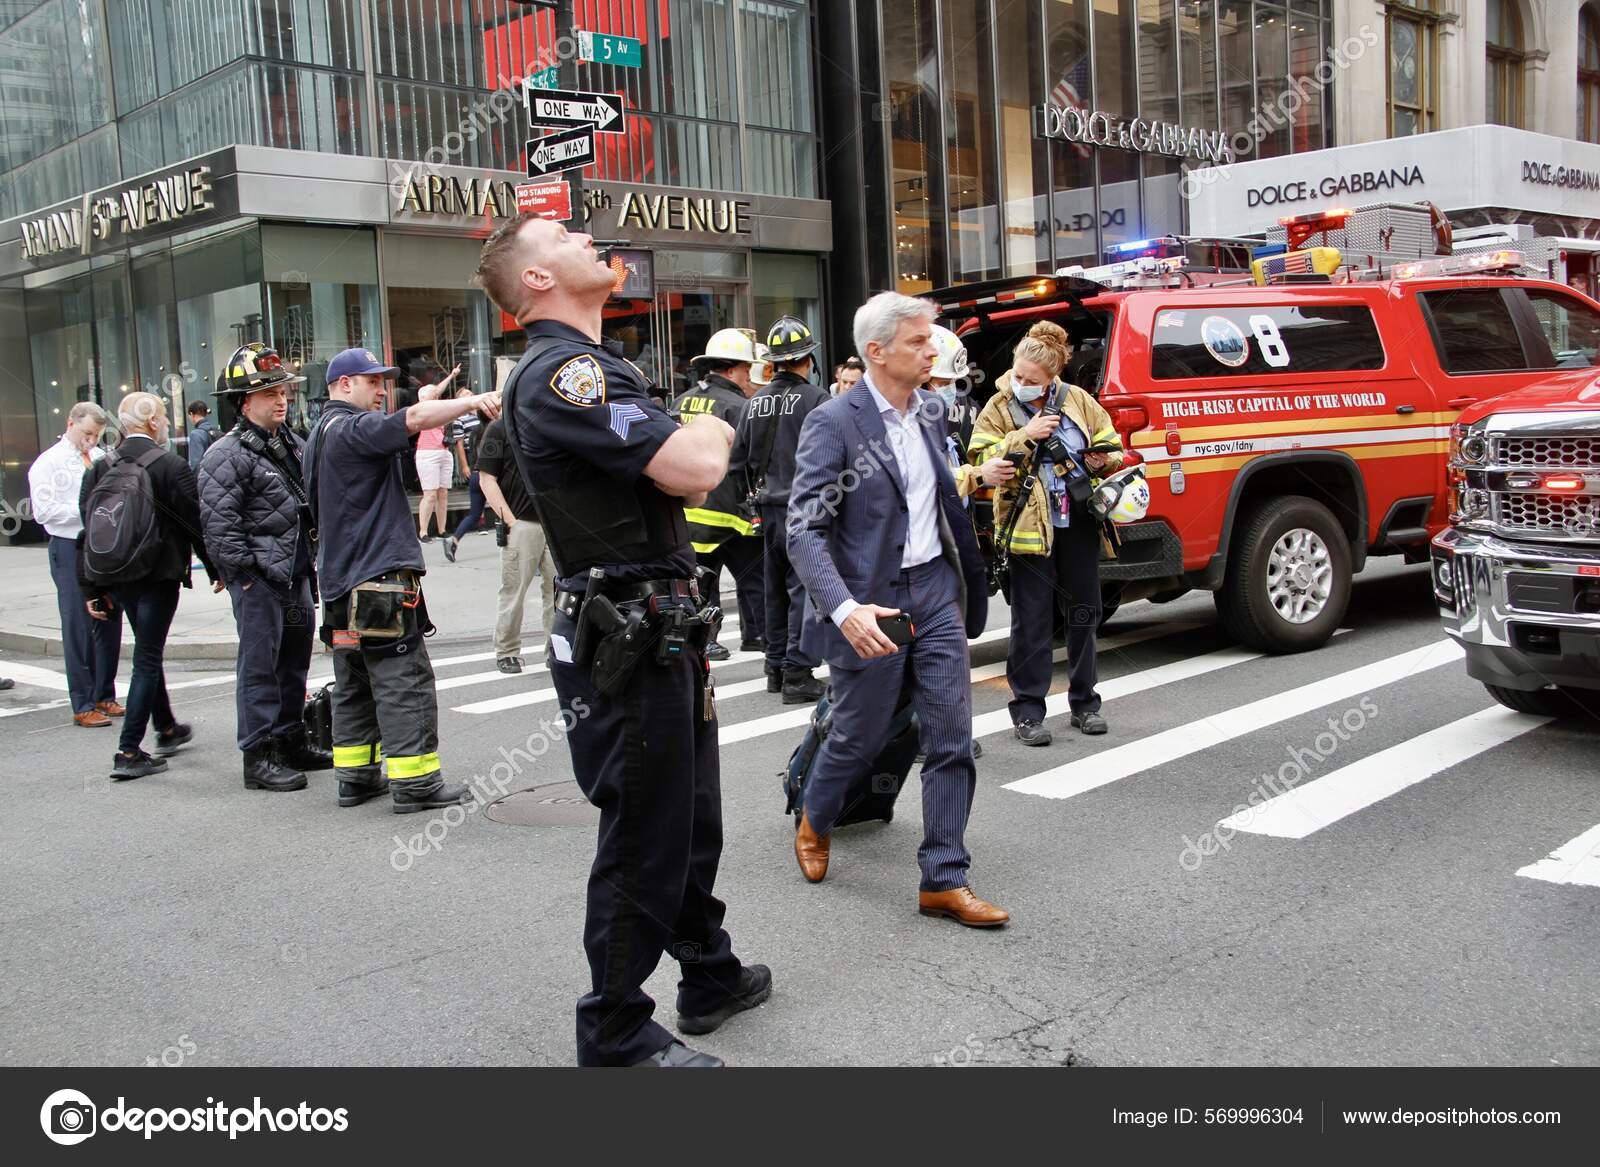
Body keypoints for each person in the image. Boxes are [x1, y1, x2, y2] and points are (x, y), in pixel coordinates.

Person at [476, 213, 769, 1068]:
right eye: (561, 236)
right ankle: (613, 1028)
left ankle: (707, 970)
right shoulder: (564, 371)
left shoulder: (595, 365)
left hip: (659, 625)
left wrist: (689, 437)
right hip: (629, 630)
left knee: (687, 816)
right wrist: (713, 429)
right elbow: (696, 468)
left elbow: (675, 478)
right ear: (536, 279)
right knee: (644, 829)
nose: (585, 239)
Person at [787, 292, 1003, 927]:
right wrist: (845, 609)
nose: (932, 350)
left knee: (951, 737)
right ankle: (816, 817)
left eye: (930, 339)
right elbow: (803, 529)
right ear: (876, 351)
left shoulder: (932, 411)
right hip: (871, 601)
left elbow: (937, 496)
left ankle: (944, 877)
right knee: (860, 734)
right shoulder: (833, 421)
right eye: (918, 341)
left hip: (935, 591)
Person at [302, 349, 498, 812]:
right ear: (344, 384)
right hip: (377, 582)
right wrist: (475, 401)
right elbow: (413, 417)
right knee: (402, 679)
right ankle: (416, 783)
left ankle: (355, 777)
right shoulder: (353, 428)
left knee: (354, 682)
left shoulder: (319, 435)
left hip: (339, 584)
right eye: (372, 382)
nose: (382, 391)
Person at [968, 320, 1124, 746]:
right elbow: (979, 458)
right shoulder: (999, 407)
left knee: (1084, 613)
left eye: (1030, 379)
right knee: (1032, 622)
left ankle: (1086, 704)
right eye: (1017, 375)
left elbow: (1112, 445)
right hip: (1026, 526)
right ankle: (1027, 712)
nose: (1020, 383)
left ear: (1052, 377)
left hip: (1078, 521)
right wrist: (1025, 435)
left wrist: (1101, 460)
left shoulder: (1079, 400)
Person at [197, 343, 333, 792]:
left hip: (296, 572)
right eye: (270, 393)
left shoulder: (290, 443)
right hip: (260, 580)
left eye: (283, 391)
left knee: (294, 662)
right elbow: (220, 527)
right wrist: (246, 577)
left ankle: (290, 740)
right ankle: (257, 757)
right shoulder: (225, 453)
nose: (282, 399)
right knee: (260, 667)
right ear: (243, 402)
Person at [78, 392, 221, 780]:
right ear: (154, 422)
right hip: (158, 575)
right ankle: (128, 750)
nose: (167, 423)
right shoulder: (171, 466)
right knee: (147, 657)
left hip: (116, 574)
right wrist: (215, 568)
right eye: (164, 417)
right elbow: (195, 524)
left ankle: (167, 726)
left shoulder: (102, 465)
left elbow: (88, 529)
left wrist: (91, 588)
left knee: (147, 648)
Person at [734, 314, 830, 703]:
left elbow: (737, 463)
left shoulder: (752, 403)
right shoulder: (817, 400)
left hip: (768, 509)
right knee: (805, 589)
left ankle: (775, 667)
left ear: (773, 363)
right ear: (808, 359)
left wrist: (751, 504)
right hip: (807, 508)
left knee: (774, 589)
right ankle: (797, 672)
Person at [29, 402, 123, 728]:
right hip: (69, 545)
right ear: (70, 424)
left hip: (101, 546)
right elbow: (44, 512)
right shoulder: (48, 463)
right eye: (86, 433)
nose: (91, 440)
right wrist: (88, 510)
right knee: (78, 624)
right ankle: (82, 702)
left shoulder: (100, 458)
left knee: (110, 617)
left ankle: (104, 694)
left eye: (96, 435)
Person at [676, 328, 766, 661]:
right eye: (746, 368)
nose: (748, 375)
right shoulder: (740, 406)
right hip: (730, 512)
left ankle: (706, 641)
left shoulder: (682, 400)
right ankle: (760, 635)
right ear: (731, 369)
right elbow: (752, 459)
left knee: (700, 580)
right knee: (755, 577)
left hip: (690, 510)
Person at [476, 416, 556, 674]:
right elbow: (486, 479)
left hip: (555, 524)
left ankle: (555, 650)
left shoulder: (550, 425)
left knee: (557, 592)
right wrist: (510, 521)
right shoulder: (498, 429)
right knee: (514, 591)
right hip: (521, 522)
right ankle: (507, 651)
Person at [413, 370, 460, 542]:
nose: (435, 396)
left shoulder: (436, 407)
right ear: (423, 397)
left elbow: (437, 392)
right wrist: (451, 376)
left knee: (443, 493)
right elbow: (437, 390)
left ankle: (442, 529)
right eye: (432, 394)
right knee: (430, 494)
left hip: (443, 451)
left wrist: (452, 376)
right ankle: (423, 531)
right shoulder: (421, 408)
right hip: (427, 453)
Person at [442, 386, 488, 562]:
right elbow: (460, 444)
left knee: (475, 512)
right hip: (484, 470)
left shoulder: (477, 423)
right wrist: (464, 466)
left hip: (478, 468)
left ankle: (453, 540)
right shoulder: (465, 421)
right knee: (508, 510)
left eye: (471, 393)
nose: (471, 395)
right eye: (466, 394)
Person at [185, 401, 218, 472]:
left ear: (191, 414)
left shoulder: (195, 434)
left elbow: (196, 465)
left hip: (206, 476)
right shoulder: (216, 430)